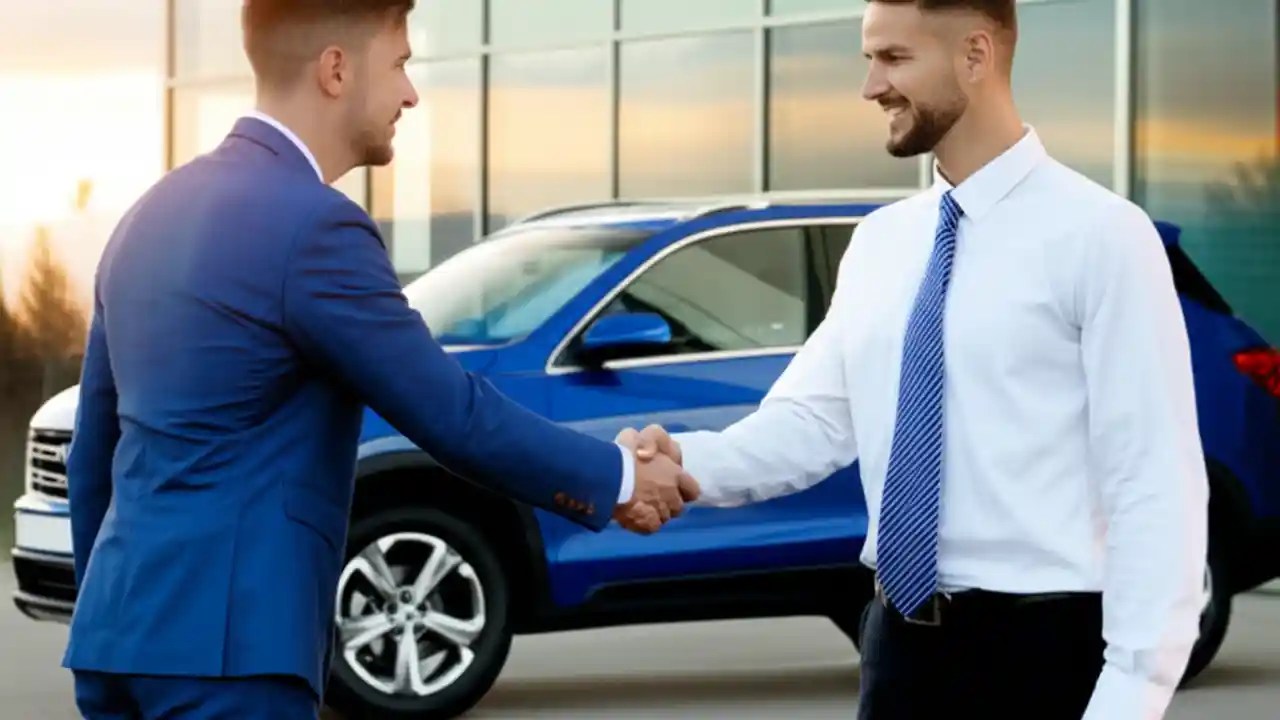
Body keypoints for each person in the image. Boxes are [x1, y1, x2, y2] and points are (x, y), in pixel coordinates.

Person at [62, 2, 697, 718]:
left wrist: (111, 615)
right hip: (231, 654)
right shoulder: (314, 226)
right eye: (399, 65)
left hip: (116, 639)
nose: (410, 93)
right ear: (336, 69)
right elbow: (451, 412)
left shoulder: (149, 213)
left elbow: (95, 455)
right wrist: (616, 477)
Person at [619, 0, 1207, 718]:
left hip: (1047, 657)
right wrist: (682, 464)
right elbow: (811, 422)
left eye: (894, 59)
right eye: (869, 59)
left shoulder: (1104, 237)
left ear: (976, 55)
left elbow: (1153, 481)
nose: (871, 87)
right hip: (899, 649)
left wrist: (1133, 691)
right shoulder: (881, 243)